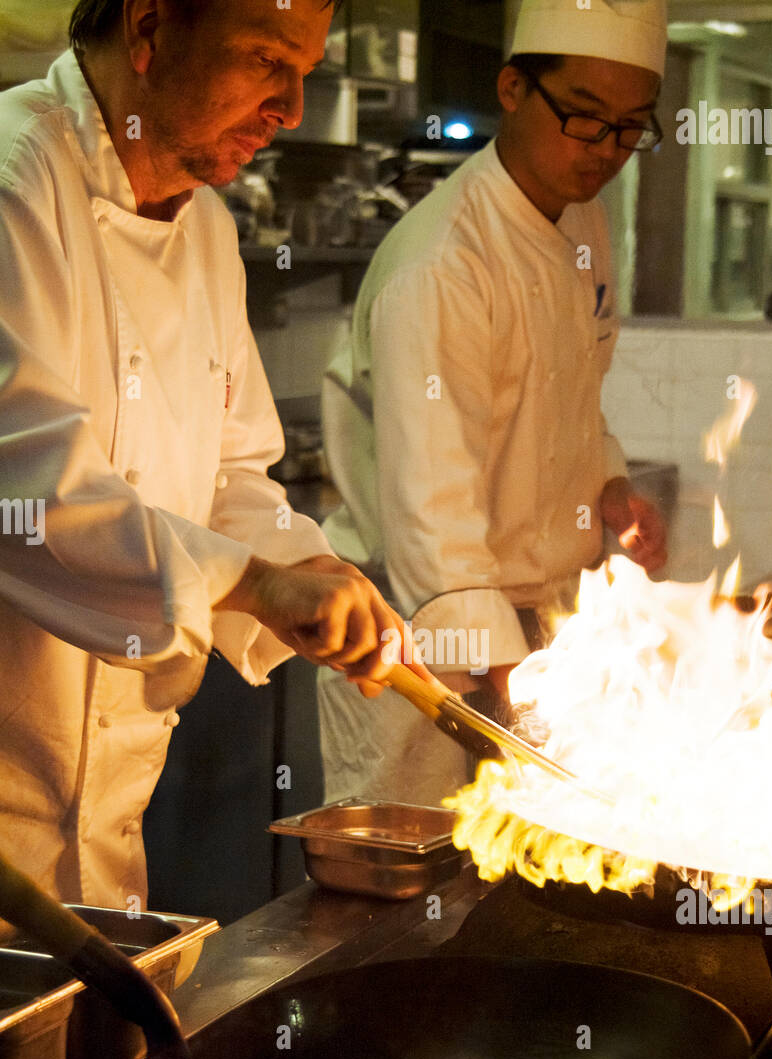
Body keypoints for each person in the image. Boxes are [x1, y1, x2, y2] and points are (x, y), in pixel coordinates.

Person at [0, 0, 409, 910]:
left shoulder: (209, 227)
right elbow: (23, 491)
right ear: (148, 28)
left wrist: (302, 562)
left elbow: (230, 471)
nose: (293, 107)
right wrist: (252, 586)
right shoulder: (12, 179)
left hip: (110, 815)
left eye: (306, 68)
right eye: (265, 58)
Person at [318, 0, 670, 806]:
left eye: (629, 129)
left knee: (538, 881)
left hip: (539, 623)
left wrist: (607, 487)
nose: (605, 152)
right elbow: (432, 516)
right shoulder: (443, 265)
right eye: (583, 119)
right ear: (512, 88)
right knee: (417, 889)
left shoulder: (583, 217)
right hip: (420, 639)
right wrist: (525, 698)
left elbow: (574, 392)